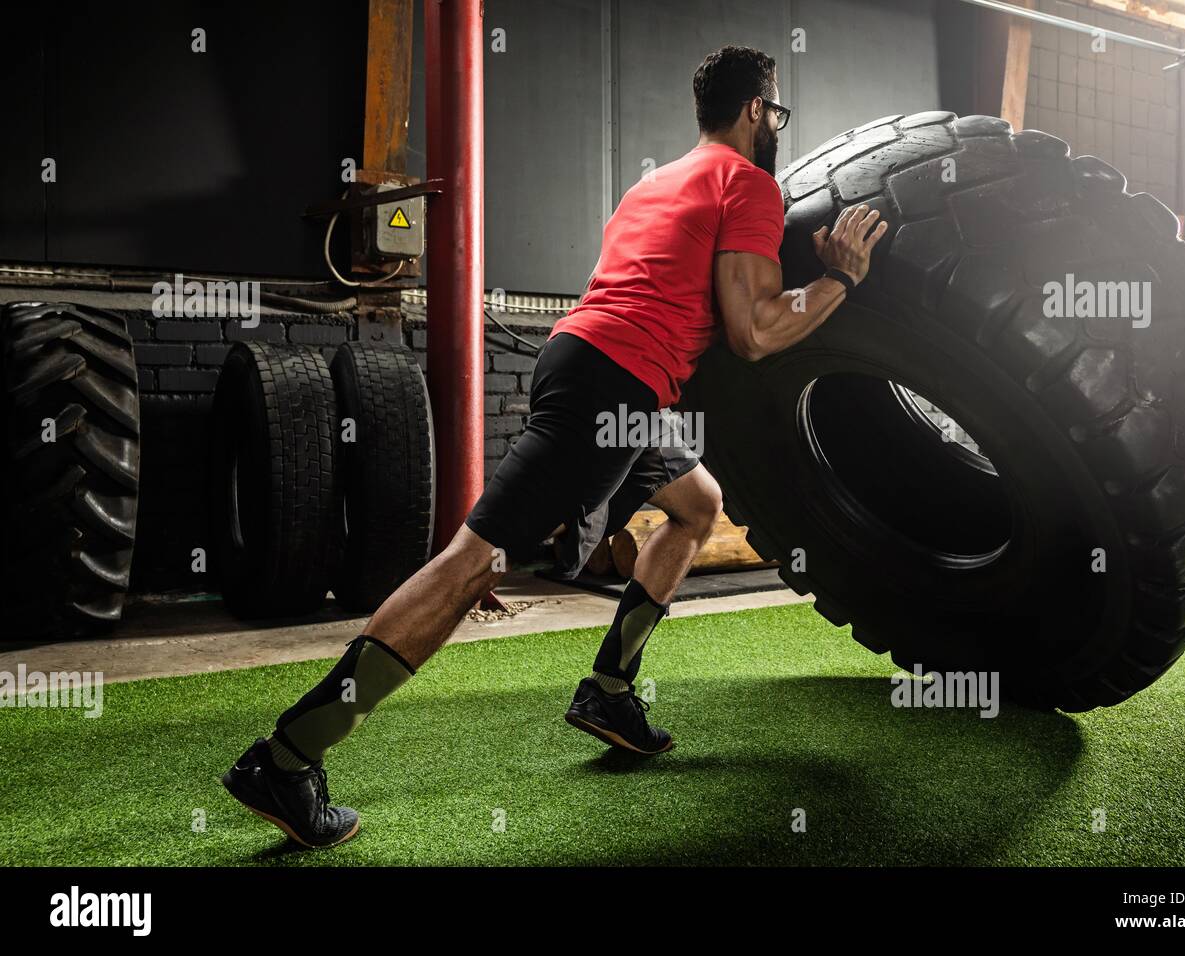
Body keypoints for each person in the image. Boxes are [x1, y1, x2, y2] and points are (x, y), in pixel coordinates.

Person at [221, 44, 889, 848]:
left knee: (696, 507)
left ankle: (609, 688)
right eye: (775, 112)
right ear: (756, 110)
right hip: (613, 381)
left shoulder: (656, 181)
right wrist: (840, 280)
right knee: (472, 564)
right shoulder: (745, 183)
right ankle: (290, 756)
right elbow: (751, 332)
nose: (776, 126)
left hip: (587, 364)